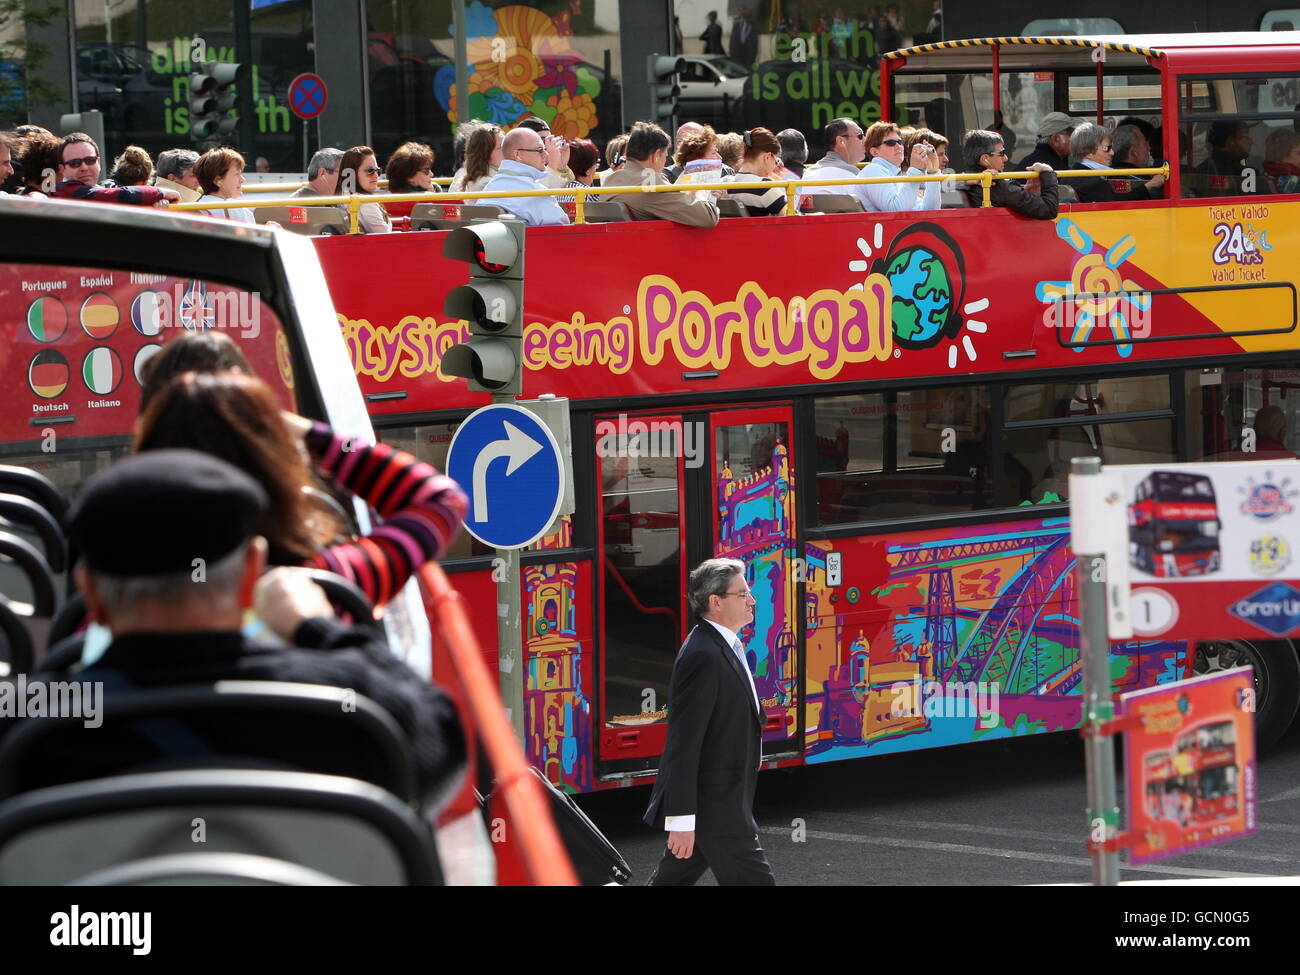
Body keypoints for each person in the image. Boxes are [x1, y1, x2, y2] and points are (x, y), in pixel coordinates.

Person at [51, 449, 466, 813]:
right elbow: (442, 741)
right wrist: (318, 629)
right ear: (252, 571)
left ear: (89, 591)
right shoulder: (348, 709)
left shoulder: (35, 724)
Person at [135, 364, 468, 608]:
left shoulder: (120, 605)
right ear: (276, 470)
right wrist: (312, 436)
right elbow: (442, 500)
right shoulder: (327, 583)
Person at [644, 557, 774, 885]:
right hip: (717, 808)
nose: (752, 600)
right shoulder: (702, 654)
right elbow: (683, 743)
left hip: (722, 799)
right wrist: (682, 821)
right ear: (716, 602)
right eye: (742, 594)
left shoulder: (723, 644)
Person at [601, 121, 720, 227]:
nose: (666, 159)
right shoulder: (652, 184)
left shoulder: (610, 180)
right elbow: (708, 217)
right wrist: (699, 190)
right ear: (656, 155)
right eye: (665, 155)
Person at [53, 132, 177, 207]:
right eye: (75, 163)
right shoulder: (66, 192)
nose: (84, 167)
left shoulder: (97, 193)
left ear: (99, 162)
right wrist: (161, 192)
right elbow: (122, 195)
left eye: (90, 160)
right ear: (62, 169)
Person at [478, 127, 571, 226]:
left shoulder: (489, 188)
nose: (546, 154)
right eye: (539, 150)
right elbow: (562, 230)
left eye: (544, 149)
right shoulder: (536, 193)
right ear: (517, 154)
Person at [960, 129, 1058, 218]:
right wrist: (1048, 173)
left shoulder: (965, 180)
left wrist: (1024, 191)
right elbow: (1049, 210)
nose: (1006, 158)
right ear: (985, 159)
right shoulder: (997, 185)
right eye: (1001, 153)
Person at [1063, 123, 1165, 202]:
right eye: (1107, 148)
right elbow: (1117, 206)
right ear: (1089, 152)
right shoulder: (1093, 181)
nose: (1112, 152)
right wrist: (1149, 186)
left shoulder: (1068, 177)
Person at [857, 120, 941, 211]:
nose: (899, 146)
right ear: (874, 152)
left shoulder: (894, 174)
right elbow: (896, 210)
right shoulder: (873, 170)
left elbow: (929, 210)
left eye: (900, 142)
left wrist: (933, 173)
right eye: (891, 143)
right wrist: (915, 170)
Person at [801, 117, 868, 207]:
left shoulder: (808, 173)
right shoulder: (851, 176)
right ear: (841, 142)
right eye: (860, 136)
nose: (865, 140)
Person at [725, 127, 787, 216]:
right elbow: (793, 218)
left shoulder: (724, 183)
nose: (775, 166)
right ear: (767, 157)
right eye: (776, 161)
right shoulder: (766, 187)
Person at [332, 145, 391, 234]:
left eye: (378, 170)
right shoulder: (366, 202)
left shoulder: (340, 195)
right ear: (352, 174)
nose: (376, 175)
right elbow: (385, 235)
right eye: (370, 171)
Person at [193, 146, 256, 222]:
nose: (242, 179)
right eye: (237, 174)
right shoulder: (243, 212)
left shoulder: (194, 211)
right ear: (218, 181)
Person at [384, 141, 439, 220]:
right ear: (410, 176)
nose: (431, 174)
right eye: (426, 170)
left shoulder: (380, 203)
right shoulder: (432, 202)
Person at [515, 116, 575, 189]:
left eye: (549, 140)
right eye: (542, 141)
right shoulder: (514, 171)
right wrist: (552, 166)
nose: (547, 146)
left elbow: (565, 196)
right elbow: (539, 196)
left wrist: (561, 167)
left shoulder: (545, 167)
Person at [1015, 112, 1082, 171]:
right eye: (1071, 133)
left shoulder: (1030, 160)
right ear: (1056, 139)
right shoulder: (1054, 168)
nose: (1075, 138)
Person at [449, 122, 502, 193]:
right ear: (485, 154)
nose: (507, 150)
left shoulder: (494, 176)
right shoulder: (486, 184)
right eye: (500, 147)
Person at [14, 130, 59, 196]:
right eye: (62, 166)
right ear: (48, 174)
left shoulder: (18, 198)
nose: (64, 171)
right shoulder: (41, 203)